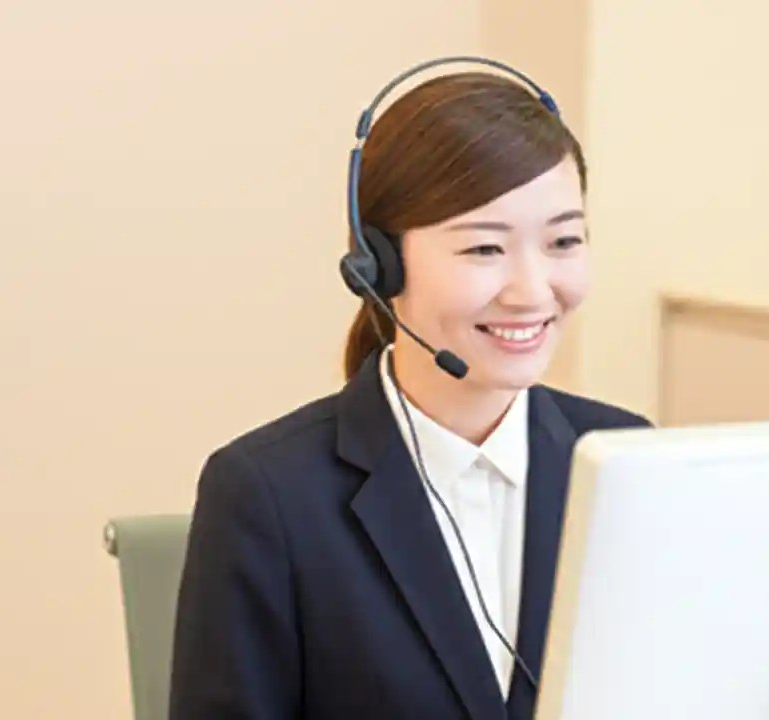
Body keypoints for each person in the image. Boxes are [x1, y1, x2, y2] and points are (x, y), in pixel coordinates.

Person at [167, 58, 651, 720]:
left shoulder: (623, 456)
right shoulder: (268, 496)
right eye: (484, 249)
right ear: (380, 266)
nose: (533, 291)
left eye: (563, 241)